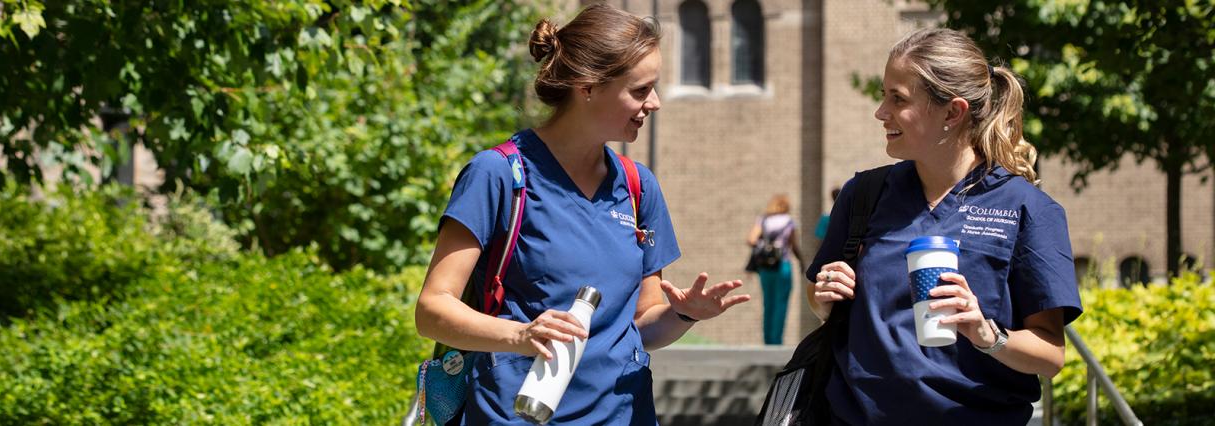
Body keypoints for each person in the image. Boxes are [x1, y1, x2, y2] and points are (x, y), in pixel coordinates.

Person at [414, 4, 750, 424]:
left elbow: (640, 325)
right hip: (516, 414)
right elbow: (432, 310)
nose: (656, 103)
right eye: (641, 90)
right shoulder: (499, 175)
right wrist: (520, 336)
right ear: (588, 88)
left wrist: (684, 313)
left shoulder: (637, 187)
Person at [806, 28, 1082, 425]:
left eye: (897, 99)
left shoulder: (1026, 208)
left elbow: (1051, 355)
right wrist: (825, 296)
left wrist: (987, 335)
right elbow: (821, 304)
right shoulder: (863, 195)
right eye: (884, 95)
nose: (880, 112)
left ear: (952, 113)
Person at [746, 194, 805, 345]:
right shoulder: (789, 222)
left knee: (768, 303)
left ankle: (767, 342)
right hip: (783, 266)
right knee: (781, 303)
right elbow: (794, 246)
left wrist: (764, 245)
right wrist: (802, 262)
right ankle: (776, 341)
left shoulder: (763, 220)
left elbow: (751, 240)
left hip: (765, 268)